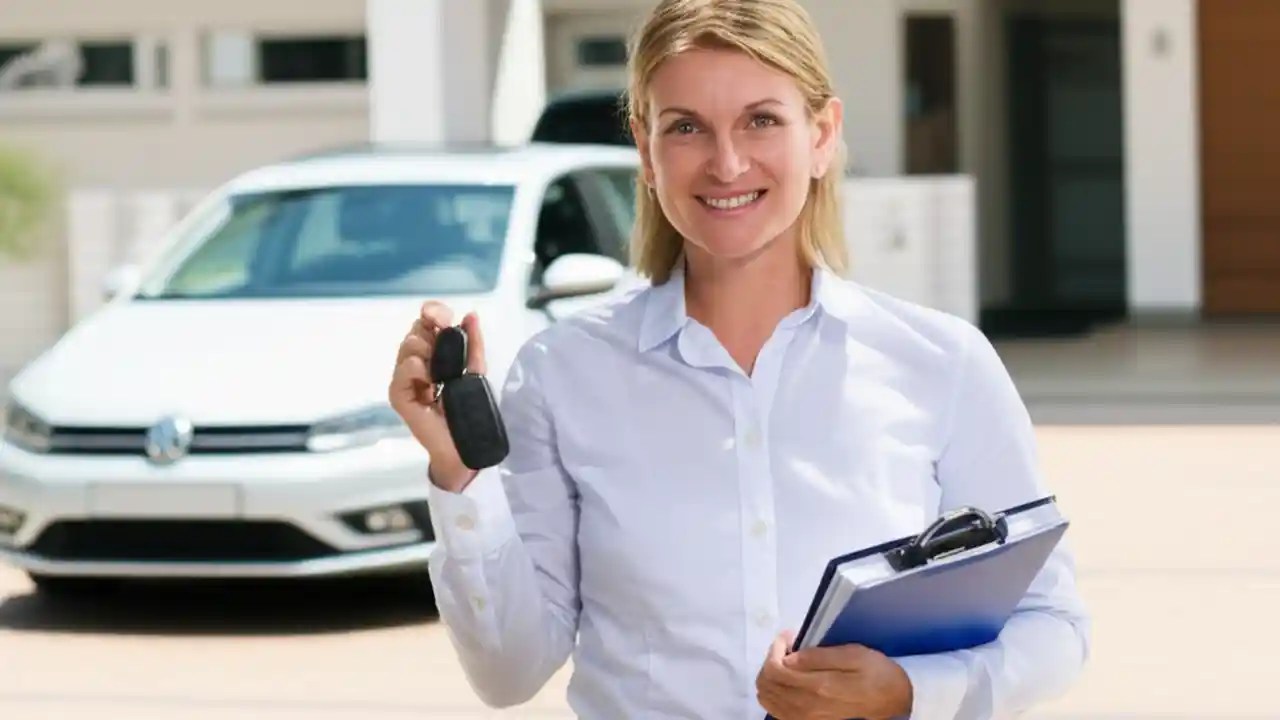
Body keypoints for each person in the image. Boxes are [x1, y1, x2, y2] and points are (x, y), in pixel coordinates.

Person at [388, 0, 1091, 717]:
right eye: (686, 127)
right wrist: (462, 479)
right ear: (646, 151)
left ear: (822, 135)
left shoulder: (942, 364)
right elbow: (507, 674)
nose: (726, 163)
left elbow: (1051, 625)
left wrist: (909, 692)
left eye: (761, 120)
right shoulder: (561, 375)